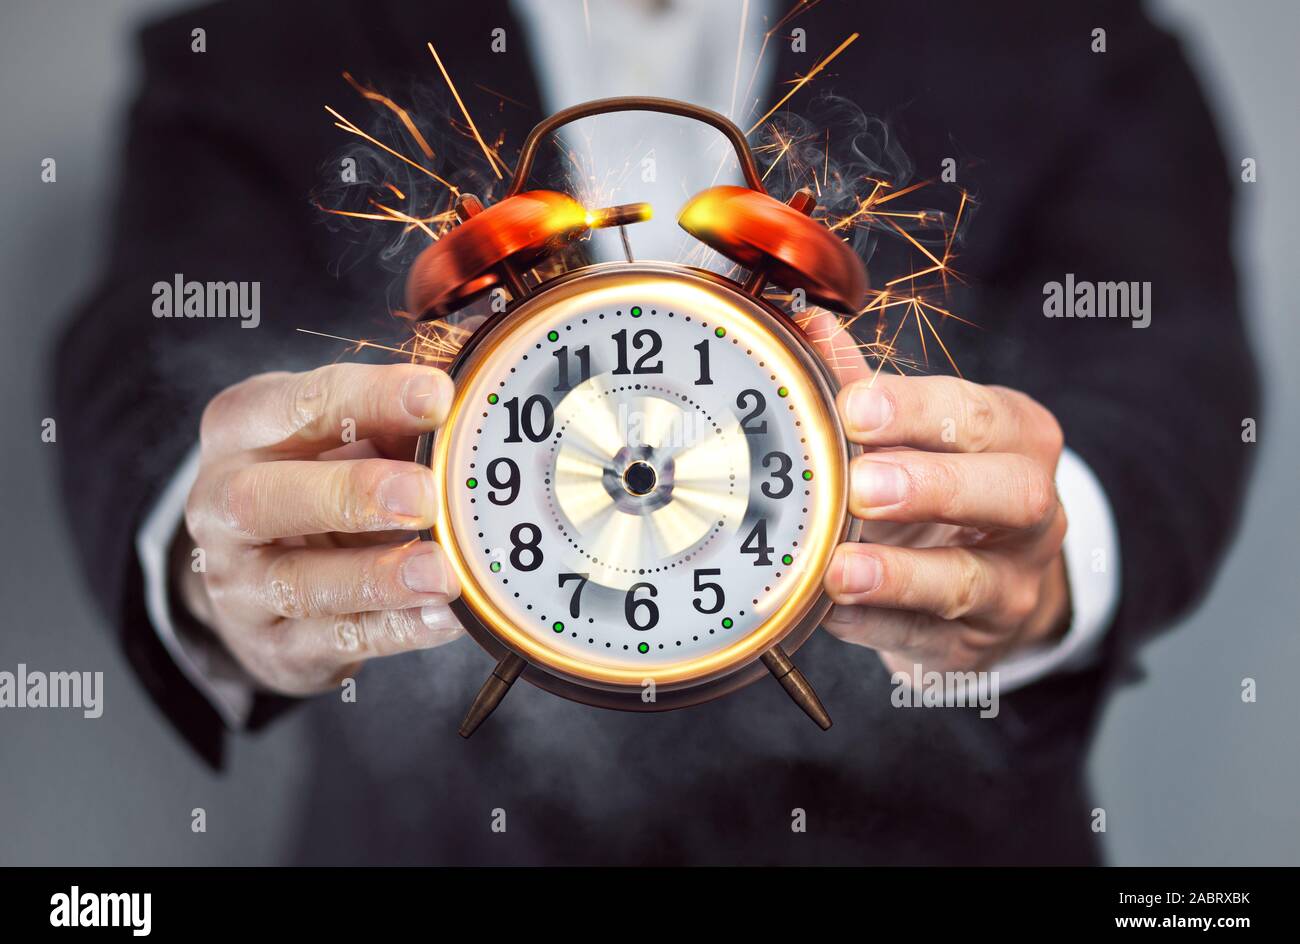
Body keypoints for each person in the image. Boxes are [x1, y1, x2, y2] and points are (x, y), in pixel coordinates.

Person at [54, 0, 1257, 863]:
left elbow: (1172, 382)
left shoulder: (1082, 40)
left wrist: (1048, 550)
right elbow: (149, 365)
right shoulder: (259, 41)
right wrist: (212, 551)